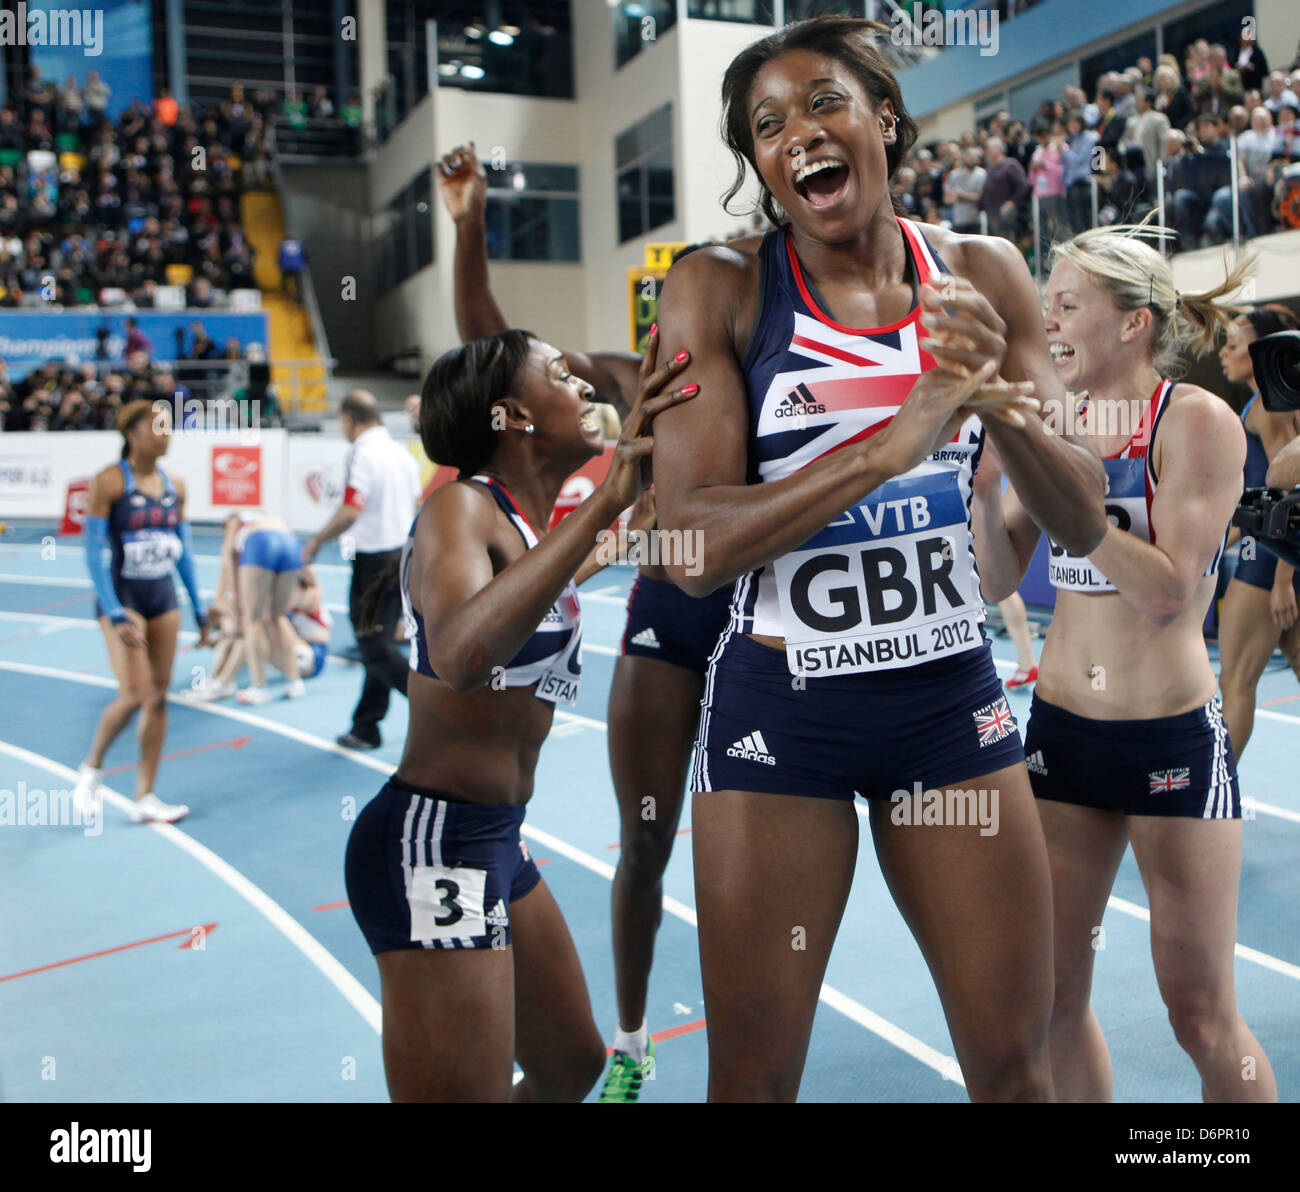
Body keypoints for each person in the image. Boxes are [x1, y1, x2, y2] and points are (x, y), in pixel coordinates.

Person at [649, 15, 1110, 1102]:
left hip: (945, 703)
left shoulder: (982, 268)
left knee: (1013, 1066)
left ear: (882, 120)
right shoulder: (719, 288)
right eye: (766, 125)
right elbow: (688, 546)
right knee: (754, 1083)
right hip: (782, 718)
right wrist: (891, 445)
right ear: (760, 166)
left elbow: (1084, 518)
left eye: (821, 103)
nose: (797, 134)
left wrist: (1006, 405)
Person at [437, 141, 734, 1101]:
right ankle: (637, 1040)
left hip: (770, 625)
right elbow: (492, 355)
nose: (682, 316)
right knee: (645, 838)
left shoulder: (785, 378)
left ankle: (751, 1025)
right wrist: (471, 222)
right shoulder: (614, 382)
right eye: (674, 301)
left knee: (749, 854)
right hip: (666, 625)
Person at [343, 328, 697, 1101]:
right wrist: (607, 499)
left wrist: (620, 531)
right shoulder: (459, 511)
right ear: (514, 416)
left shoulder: (529, 529)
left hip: (495, 836)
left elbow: (538, 586)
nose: (583, 384)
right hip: (430, 840)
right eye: (560, 374)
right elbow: (463, 654)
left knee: (571, 1064)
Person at [975, 222, 1277, 1102]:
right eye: (1046, 306)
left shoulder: (1197, 422)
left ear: (1134, 322)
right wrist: (993, 488)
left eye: (1068, 304)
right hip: (1064, 735)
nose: (1050, 322)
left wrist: (1075, 498)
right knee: (1054, 1000)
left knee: (1199, 1009)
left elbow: (1168, 591)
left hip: (1171, 741)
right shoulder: (1054, 421)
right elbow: (996, 574)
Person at [72, 400, 210, 824]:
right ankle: (91, 767)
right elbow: (94, 553)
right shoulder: (110, 482)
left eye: (169, 427)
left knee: (159, 698)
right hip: (124, 600)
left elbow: (183, 552)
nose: (166, 433)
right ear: (132, 434)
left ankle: (144, 796)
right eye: (158, 426)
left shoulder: (177, 486)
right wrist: (113, 611)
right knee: (134, 694)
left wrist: (200, 611)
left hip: (163, 599)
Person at [304, 389, 422, 750]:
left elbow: (352, 509)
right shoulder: (402, 453)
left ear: (349, 420)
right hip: (403, 554)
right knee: (381, 641)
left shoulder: (363, 454)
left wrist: (317, 540)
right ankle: (366, 725)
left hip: (374, 561)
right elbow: (417, 501)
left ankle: (436, 708)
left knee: (372, 646)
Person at [1216, 305, 1300, 760]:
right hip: (1272, 552)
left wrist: (1283, 578)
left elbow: (1289, 489)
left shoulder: (1270, 405)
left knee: (1236, 679)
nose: (1224, 352)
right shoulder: (1264, 402)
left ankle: (1216, 795)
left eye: (1233, 343)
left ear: (1261, 348)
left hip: (1270, 561)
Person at [190, 565, 332, 700]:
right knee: (242, 632)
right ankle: (215, 679)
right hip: (297, 651)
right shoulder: (288, 598)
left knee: (252, 629)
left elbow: (324, 636)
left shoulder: (310, 596)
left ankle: (224, 683)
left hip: (311, 657)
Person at [218, 511, 306, 704]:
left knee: (253, 619)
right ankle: (294, 681)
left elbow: (227, 564)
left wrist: (230, 602)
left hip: (262, 544)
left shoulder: (235, 525)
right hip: (293, 542)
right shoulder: (263, 518)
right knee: (278, 616)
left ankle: (259, 687)